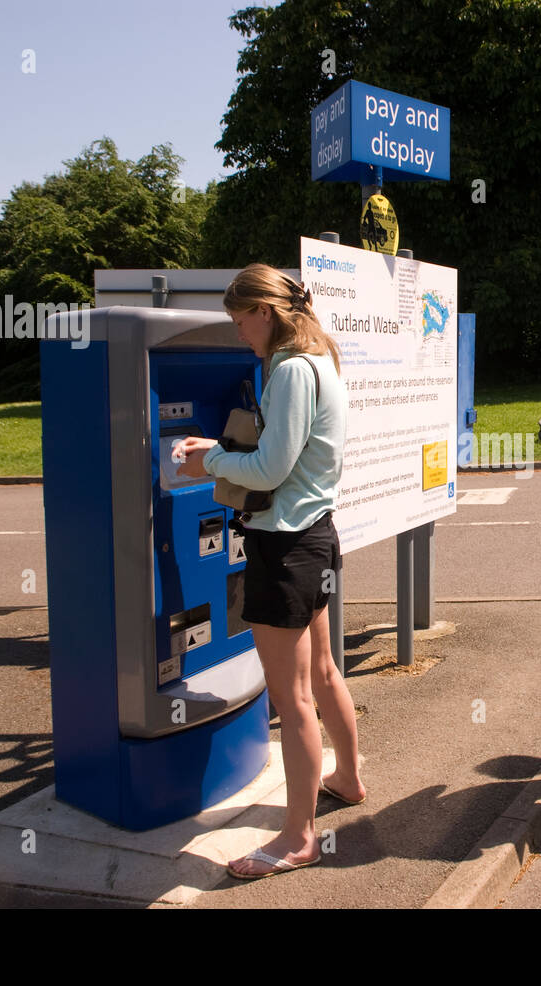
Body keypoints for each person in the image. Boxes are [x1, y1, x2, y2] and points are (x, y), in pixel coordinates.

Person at [174, 263, 365, 879]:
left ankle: (297, 838)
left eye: (239, 319)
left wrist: (209, 460)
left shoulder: (289, 370)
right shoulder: (320, 361)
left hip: (283, 548)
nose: (237, 333)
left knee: (293, 696)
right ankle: (348, 778)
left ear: (265, 312)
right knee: (324, 672)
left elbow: (269, 469)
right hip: (316, 539)